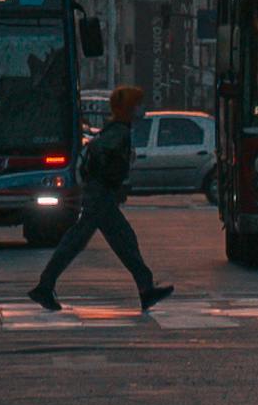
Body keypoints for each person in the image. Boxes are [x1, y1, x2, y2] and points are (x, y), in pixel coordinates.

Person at [29, 85, 172, 312]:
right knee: (93, 240)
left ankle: (145, 288)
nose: (141, 109)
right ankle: (45, 286)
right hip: (101, 194)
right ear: (129, 108)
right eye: (137, 104)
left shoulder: (116, 129)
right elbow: (101, 155)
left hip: (100, 193)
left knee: (115, 238)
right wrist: (110, 177)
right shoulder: (119, 132)